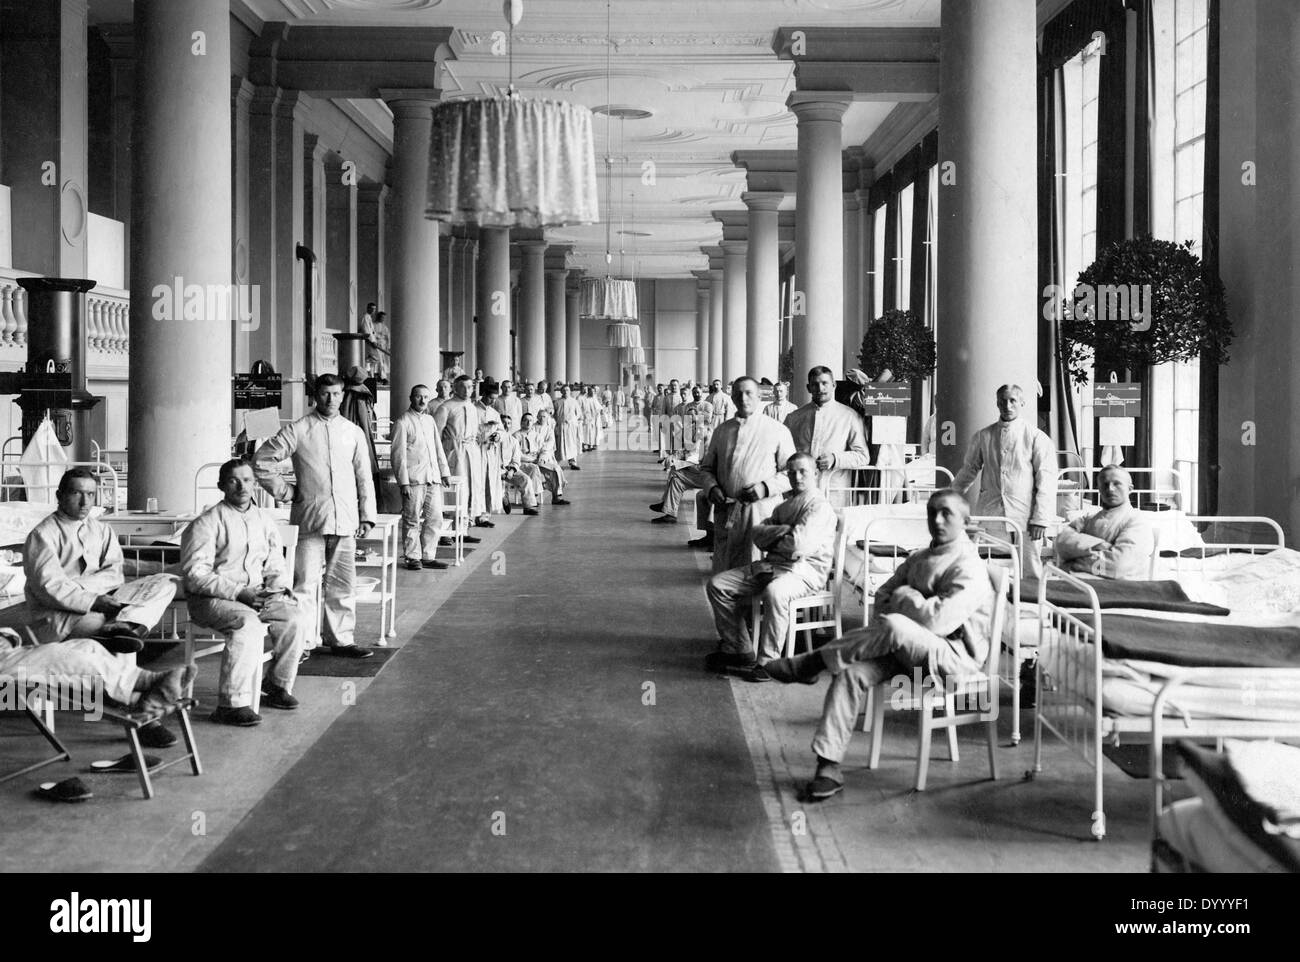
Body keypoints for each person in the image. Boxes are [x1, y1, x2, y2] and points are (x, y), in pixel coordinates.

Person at [765, 490, 995, 801]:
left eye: (946, 514)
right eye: (931, 513)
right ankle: (828, 765)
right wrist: (907, 604)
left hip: (954, 661)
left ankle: (812, 662)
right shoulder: (920, 557)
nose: (936, 520)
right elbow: (883, 597)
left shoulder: (969, 567)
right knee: (850, 673)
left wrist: (907, 599)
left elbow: (937, 621)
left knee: (895, 624)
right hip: (910, 652)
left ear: (966, 522)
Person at [254, 373, 377, 660]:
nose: (331, 399)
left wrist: (367, 515)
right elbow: (261, 461)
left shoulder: (353, 432)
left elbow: (364, 477)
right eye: (325, 394)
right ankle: (304, 642)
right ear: (315, 395)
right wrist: (286, 492)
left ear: (343, 394)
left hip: (346, 519)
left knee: (343, 584)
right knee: (305, 584)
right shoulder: (299, 429)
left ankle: (341, 639)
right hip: (310, 518)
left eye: (336, 394)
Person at [182, 459, 310, 727]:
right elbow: (196, 576)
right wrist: (240, 593)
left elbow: (274, 559)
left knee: (295, 618)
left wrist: (276, 588)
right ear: (221, 486)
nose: (242, 486)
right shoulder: (206, 523)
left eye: (248, 480)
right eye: (233, 480)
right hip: (214, 600)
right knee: (248, 624)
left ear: (255, 483)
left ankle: (276, 685)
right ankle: (231, 704)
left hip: (255, 596)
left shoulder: (264, 520)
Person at [0, 469, 175, 652]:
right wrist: (92, 600)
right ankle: (121, 628)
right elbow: (50, 588)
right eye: (76, 493)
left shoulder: (102, 529)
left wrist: (91, 591)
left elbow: (114, 573)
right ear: (59, 495)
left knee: (165, 582)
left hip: (104, 598)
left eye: (90, 494)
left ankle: (122, 628)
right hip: (62, 612)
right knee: (96, 619)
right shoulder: (43, 535)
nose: (84, 502)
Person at [704, 453, 838, 678]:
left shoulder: (819, 507)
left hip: (805, 572)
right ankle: (739, 648)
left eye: (803, 471)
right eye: (791, 472)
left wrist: (777, 537)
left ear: (815, 473)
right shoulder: (784, 506)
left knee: (776, 592)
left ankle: (768, 661)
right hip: (773, 565)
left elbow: (799, 546)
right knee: (718, 584)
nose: (797, 477)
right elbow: (758, 535)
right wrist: (784, 532)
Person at [952, 384, 1057, 579]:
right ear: (997, 403)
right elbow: (969, 470)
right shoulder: (984, 436)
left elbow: (1047, 481)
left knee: (1030, 567)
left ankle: (1031, 605)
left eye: (1012, 401)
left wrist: (1041, 519)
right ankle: (989, 603)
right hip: (991, 512)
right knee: (981, 564)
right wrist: (950, 496)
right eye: (1002, 401)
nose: (1007, 406)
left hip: (1026, 514)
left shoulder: (1036, 438)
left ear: (1022, 402)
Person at [697, 376, 797, 574]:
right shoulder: (722, 431)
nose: (743, 398)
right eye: (738, 394)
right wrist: (712, 488)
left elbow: (791, 473)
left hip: (761, 511)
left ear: (759, 396)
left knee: (757, 567)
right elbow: (707, 469)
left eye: (749, 393)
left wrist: (764, 488)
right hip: (727, 510)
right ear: (732, 398)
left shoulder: (777, 430)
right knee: (726, 569)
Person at [784, 366, 872, 506]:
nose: (820, 388)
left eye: (824, 383)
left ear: (834, 385)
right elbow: (784, 456)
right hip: (800, 493)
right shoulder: (793, 418)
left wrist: (835, 459)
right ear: (808, 387)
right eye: (815, 384)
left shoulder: (849, 416)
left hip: (834, 492)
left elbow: (863, 456)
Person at [1053, 465, 1154, 580]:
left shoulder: (1136, 520)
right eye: (1105, 485)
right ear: (1099, 489)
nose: (1110, 489)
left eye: (1117, 484)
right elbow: (1060, 541)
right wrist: (1097, 545)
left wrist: (1075, 562)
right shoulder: (1089, 519)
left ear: (1130, 489)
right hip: (1085, 583)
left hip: (1122, 588)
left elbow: (1119, 566)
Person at [391, 384, 452, 571]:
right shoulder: (403, 422)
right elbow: (398, 456)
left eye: (426, 397)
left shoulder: (429, 420)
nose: (423, 400)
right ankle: (412, 556)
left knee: (435, 518)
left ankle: (428, 555)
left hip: (432, 477)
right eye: (418, 397)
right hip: (414, 480)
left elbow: (437, 448)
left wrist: (444, 472)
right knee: (412, 519)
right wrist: (404, 482)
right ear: (411, 398)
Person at [432, 375, 485, 545]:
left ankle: (462, 530)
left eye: (470, 387)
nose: (467, 390)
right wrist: (439, 459)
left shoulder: (471, 406)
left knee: (468, 491)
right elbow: (436, 436)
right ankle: (445, 532)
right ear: (455, 388)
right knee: (451, 492)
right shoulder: (446, 407)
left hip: (471, 452)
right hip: (453, 452)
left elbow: (476, 431)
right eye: (463, 387)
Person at [519, 411, 570, 506]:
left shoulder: (537, 434)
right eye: (526, 420)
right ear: (521, 422)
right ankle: (532, 498)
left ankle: (557, 496)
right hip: (525, 461)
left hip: (538, 459)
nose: (528, 423)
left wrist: (540, 457)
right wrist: (531, 459)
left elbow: (543, 448)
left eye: (530, 420)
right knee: (534, 469)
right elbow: (517, 454)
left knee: (555, 468)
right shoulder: (516, 436)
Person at [475, 380, 506, 523]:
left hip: (490, 452)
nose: (492, 402)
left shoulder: (494, 412)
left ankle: (485, 515)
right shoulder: (474, 410)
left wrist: (498, 435)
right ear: (483, 395)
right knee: (477, 482)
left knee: (489, 482)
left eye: (495, 399)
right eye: (490, 398)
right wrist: (485, 430)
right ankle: (473, 514)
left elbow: (502, 431)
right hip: (477, 451)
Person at [499, 414, 540, 516]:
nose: (505, 425)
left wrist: (512, 470)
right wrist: (500, 471)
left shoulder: (513, 441)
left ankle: (528, 506)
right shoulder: (493, 440)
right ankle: (504, 496)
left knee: (526, 479)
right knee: (499, 485)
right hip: (496, 470)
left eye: (508, 423)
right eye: (503, 423)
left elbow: (516, 459)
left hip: (510, 469)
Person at [553, 383, 583, 471]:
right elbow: (554, 415)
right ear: (561, 391)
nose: (566, 392)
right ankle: (557, 462)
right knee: (559, 444)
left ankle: (573, 462)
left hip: (571, 427)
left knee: (571, 444)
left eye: (567, 390)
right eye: (564, 390)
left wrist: (572, 420)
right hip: (560, 426)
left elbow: (579, 414)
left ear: (570, 391)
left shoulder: (574, 401)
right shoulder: (557, 402)